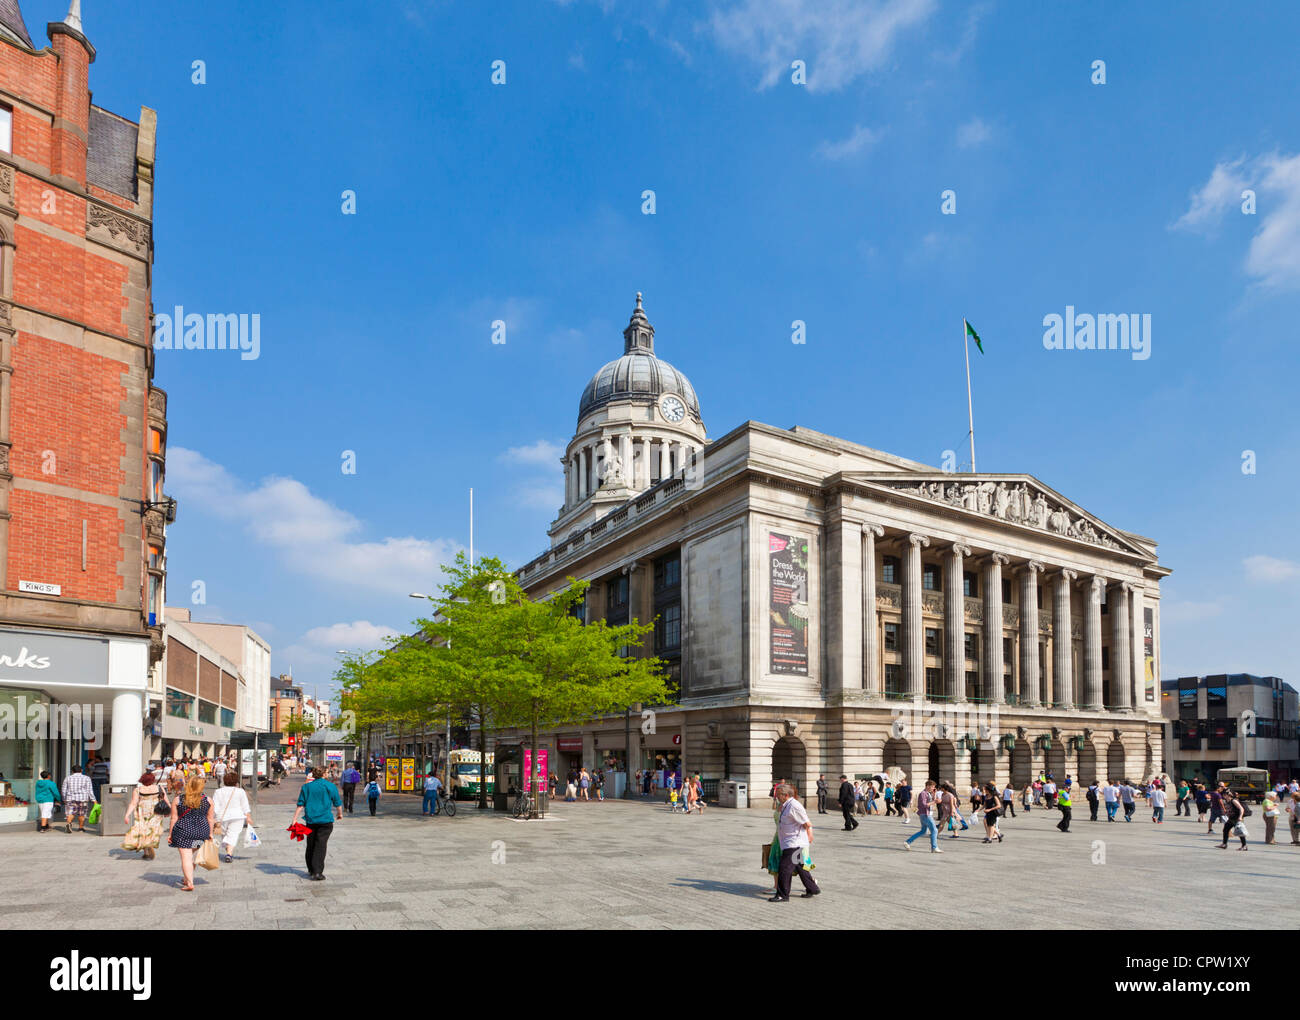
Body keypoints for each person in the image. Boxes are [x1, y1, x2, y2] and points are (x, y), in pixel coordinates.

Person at [770, 784, 820, 901]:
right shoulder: (786, 805)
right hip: (790, 842)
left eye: (778, 795)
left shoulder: (794, 806)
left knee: (784, 869)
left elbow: (807, 823)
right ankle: (812, 888)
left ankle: (782, 895)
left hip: (794, 843)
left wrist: (809, 835)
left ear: (786, 795)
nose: (776, 797)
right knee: (801, 867)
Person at [293, 767, 344, 880]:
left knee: (311, 844)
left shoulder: (306, 787)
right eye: (327, 772)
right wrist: (340, 814)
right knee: (320, 845)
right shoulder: (330, 786)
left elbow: (300, 804)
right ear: (324, 774)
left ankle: (311, 869)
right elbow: (337, 802)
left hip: (311, 820)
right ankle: (317, 872)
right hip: (325, 820)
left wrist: (294, 819)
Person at [169, 774, 214, 892]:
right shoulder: (208, 800)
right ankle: (187, 877)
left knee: (186, 857)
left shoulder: (178, 800)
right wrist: (210, 833)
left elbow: (174, 818)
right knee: (192, 856)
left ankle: (189, 882)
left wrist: (170, 834)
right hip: (201, 832)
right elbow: (210, 818)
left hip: (183, 831)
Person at [122, 771, 167, 859]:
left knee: (143, 830)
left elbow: (133, 803)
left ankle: (146, 851)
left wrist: (127, 815)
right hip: (156, 812)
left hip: (142, 812)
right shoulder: (159, 787)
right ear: (153, 779)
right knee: (154, 829)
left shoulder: (138, 790)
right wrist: (168, 811)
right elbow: (166, 800)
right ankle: (149, 844)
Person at [212, 772, 253, 863]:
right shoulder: (240, 791)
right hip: (237, 816)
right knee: (233, 834)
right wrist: (248, 817)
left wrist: (213, 818)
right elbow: (245, 806)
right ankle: (229, 853)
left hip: (221, 817)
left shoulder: (218, 791)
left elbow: (215, 806)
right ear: (236, 782)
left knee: (224, 834)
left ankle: (229, 852)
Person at [903, 779, 941, 853]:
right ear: (928, 786)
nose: (933, 788)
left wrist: (934, 794)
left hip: (925, 814)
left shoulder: (928, 793)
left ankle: (908, 842)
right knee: (934, 830)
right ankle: (934, 847)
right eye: (932, 787)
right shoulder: (923, 793)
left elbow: (932, 800)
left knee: (923, 831)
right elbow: (924, 805)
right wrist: (935, 802)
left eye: (934, 787)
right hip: (925, 814)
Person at [61, 764, 95, 833]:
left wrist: (64, 798)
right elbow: (89, 790)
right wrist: (93, 799)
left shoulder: (68, 778)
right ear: (81, 770)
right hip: (83, 798)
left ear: (72, 771)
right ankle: (80, 828)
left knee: (70, 813)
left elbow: (63, 789)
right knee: (81, 813)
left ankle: (68, 825)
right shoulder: (86, 778)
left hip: (70, 798)